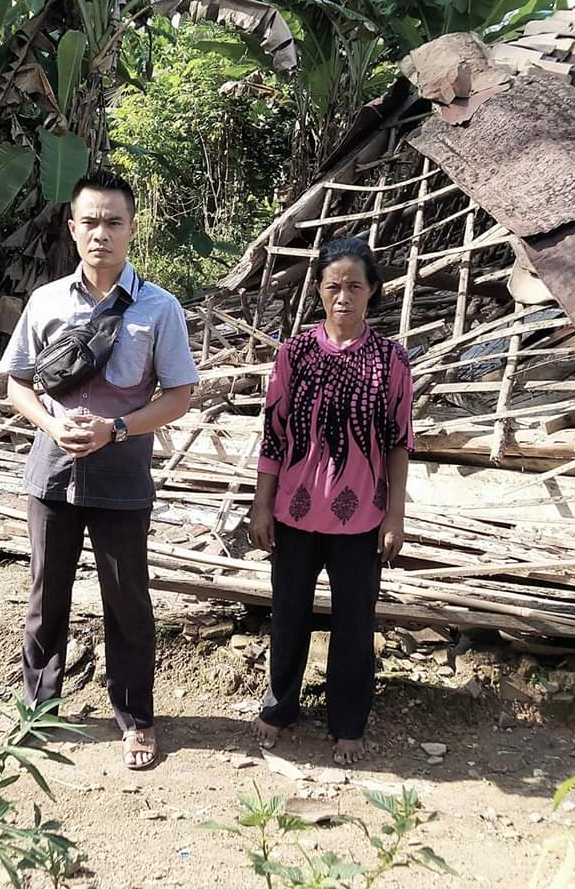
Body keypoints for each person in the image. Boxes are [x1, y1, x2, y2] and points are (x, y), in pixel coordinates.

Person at [0, 169, 198, 770]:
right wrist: (52, 425)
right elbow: (17, 383)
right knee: (45, 595)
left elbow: (179, 394)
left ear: (133, 229)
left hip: (122, 474)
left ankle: (136, 718)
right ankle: (39, 709)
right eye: (90, 222)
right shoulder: (45, 302)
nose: (101, 234)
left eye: (114, 222)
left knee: (127, 600)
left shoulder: (158, 308)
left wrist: (116, 428)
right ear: (72, 229)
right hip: (52, 473)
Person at [248, 236, 413, 765]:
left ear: (373, 293)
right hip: (294, 512)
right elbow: (273, 435)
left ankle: (348, 723)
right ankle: (279, 708)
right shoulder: (293, 354)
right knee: (289, 614)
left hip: (362, 516)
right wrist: (260, 503)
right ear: (319, 290)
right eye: (333, 285)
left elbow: (398, 442)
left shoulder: (391, 360)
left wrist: (394, 515)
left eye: (355, 286)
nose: (343, 295)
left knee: (355, 623)